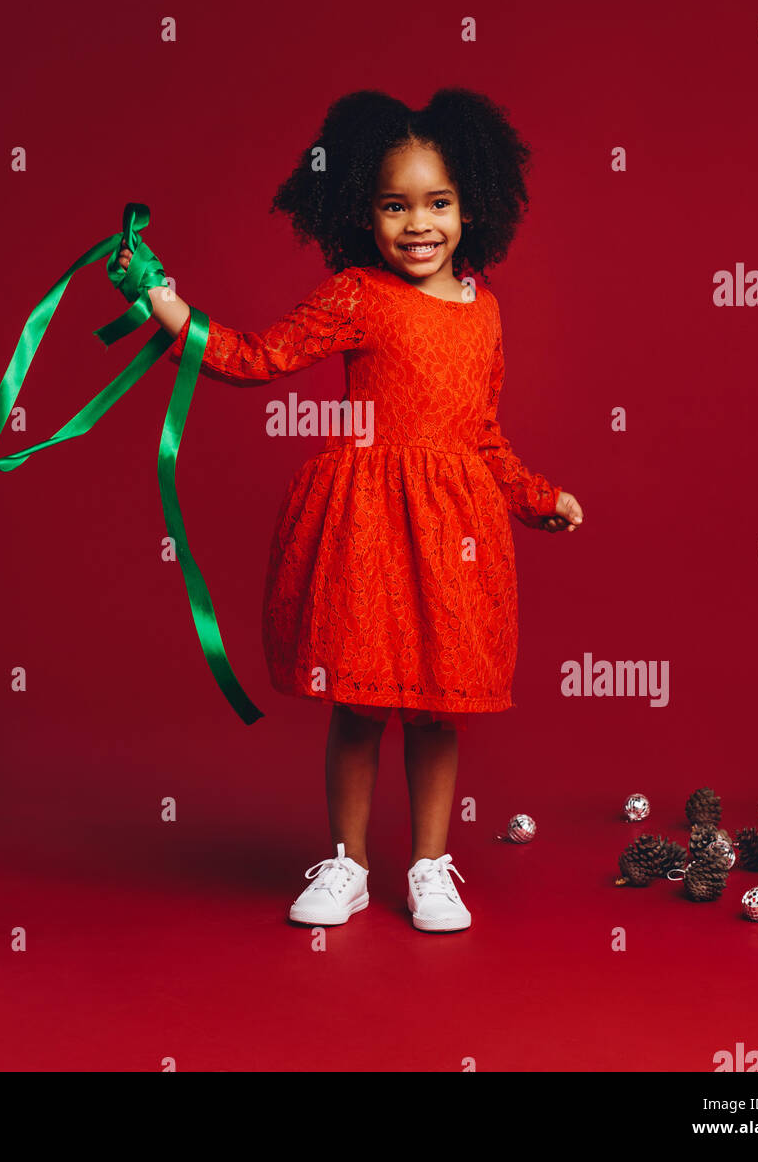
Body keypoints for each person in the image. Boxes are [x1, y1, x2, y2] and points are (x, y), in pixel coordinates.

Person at [115, 88, 583, 932]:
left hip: (454, 531)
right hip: (368, 523)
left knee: (438, 707)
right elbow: (258, 357)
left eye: (436, 202)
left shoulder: (487, 314)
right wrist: (167, 306)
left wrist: (533, 497)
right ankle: (349, 864)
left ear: (471, 205)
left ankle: (431, 866)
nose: (417, 224)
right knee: (359, 703)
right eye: (393, 205)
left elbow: (481, 432)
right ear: (360, 213)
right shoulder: (357, 296)